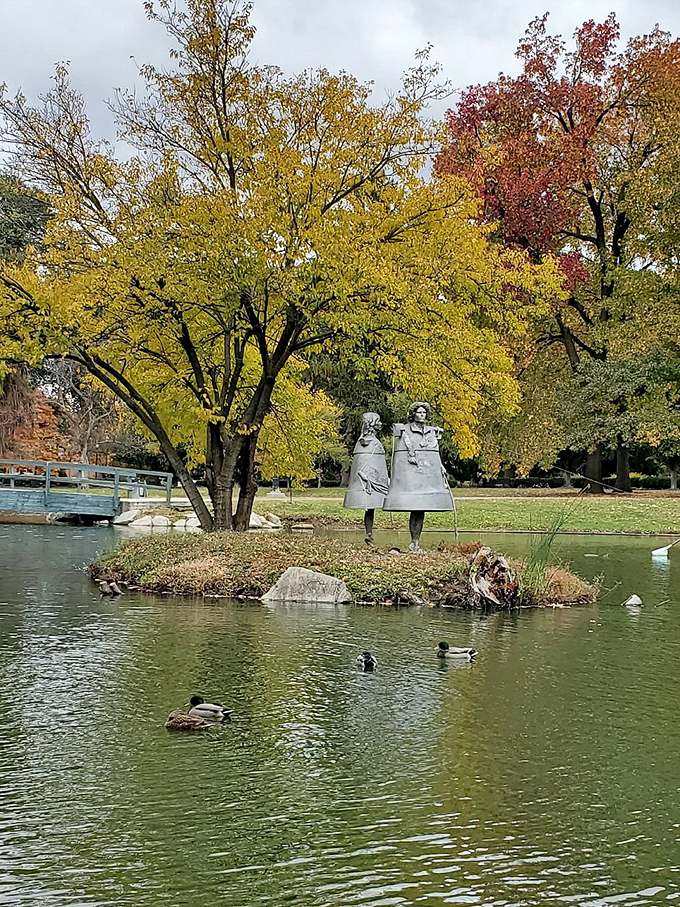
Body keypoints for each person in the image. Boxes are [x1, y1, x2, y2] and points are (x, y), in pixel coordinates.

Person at [383, 401, 453, 552]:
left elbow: (434, 454)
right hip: (411, 478)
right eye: (419, 412)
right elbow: (399, 457)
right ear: (413, 414)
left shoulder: (430, 432)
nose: (422, 415)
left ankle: (416, 542)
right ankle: (413, 542)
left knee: (420, 510)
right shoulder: (405, 430)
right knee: (415, 508)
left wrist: (440, 466)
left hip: (426, 477)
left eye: (424, 413)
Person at [343, 412, 389, 544]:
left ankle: (369, 534)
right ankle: (369, 534)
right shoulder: (366, 442)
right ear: (372, 424)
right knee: (370, 508)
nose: (380, 424)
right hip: (366, 482)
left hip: (375, 482)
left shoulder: (371, 441)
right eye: (378, 421)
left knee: (371, 508)